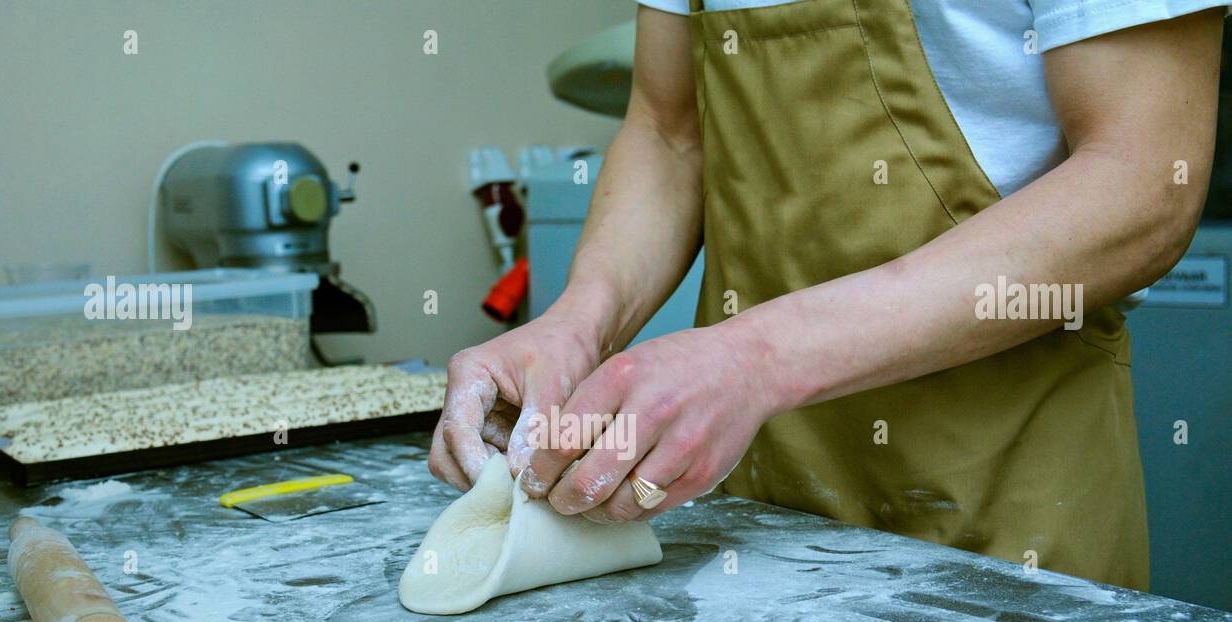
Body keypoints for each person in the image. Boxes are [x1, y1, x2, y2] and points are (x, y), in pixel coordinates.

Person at [430, 0, 1227, 591]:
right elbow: (671, 130)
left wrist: (755, 359)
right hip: (751, 507)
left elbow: (1146, 180)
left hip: (1004, 493)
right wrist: (576, 324)